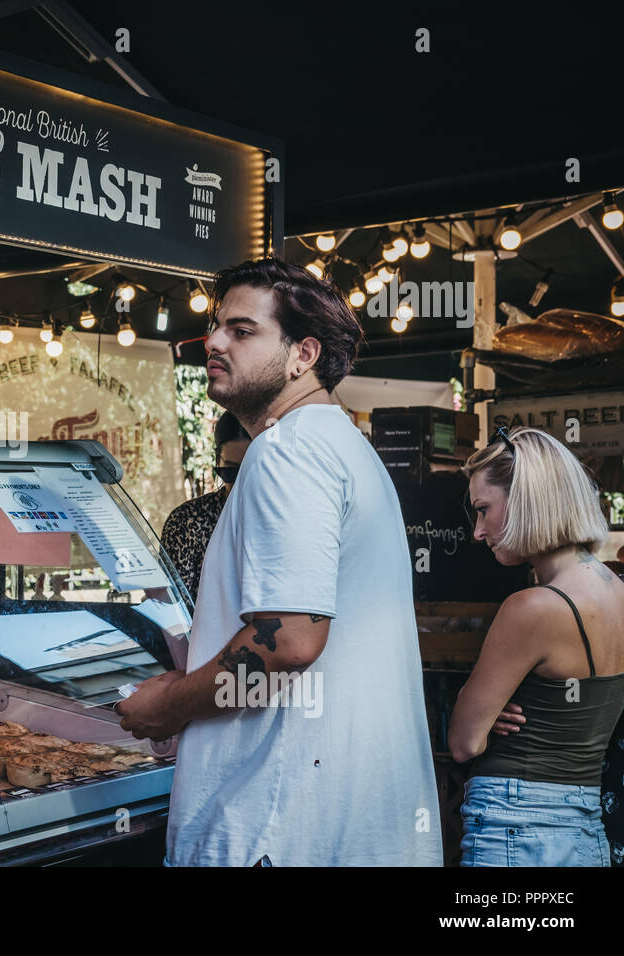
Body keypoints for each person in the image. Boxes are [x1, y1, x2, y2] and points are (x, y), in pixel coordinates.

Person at [116, 257, 441, 866]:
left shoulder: (287, 450)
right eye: (216, 326)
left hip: (275, 831)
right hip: (346, 829)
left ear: (303, 355)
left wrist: (170, 705)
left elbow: (286, 641)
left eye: (243, 331)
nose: (213, 341)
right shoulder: (345, 447)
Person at [448, 426, 624, 866]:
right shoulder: (618, 592)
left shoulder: (530, 608)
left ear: (526, 498)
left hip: (515, 823)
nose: (478, 530)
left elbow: (464, 743)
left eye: (483, 510)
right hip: (585, 828)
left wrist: (486, 710)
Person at [160, 412, 250, 604]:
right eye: (230, 472)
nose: (242, 484)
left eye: (252, 472)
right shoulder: (187, 521)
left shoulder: (284, 518)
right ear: (218, 460)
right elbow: (172, 607)